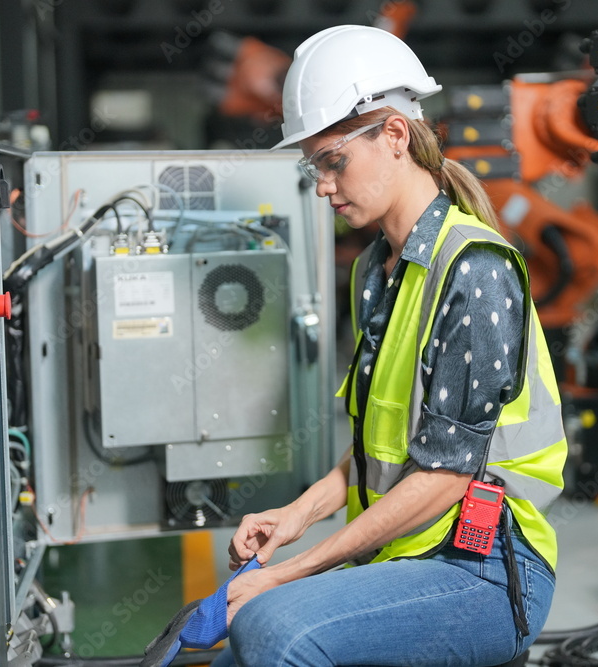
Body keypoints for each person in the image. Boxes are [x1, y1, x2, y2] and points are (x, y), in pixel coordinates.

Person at [212, 25, 568, 667]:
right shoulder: (374, 272)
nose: (323, 185)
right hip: (408, 554)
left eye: (333, 161)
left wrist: (290, 573)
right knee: (235, 650)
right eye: (313, 167)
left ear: (396, 135)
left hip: (485, 569)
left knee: (272, 627)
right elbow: (380, 450)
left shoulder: (475, 270)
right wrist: (298, 514)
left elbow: (444, 474)